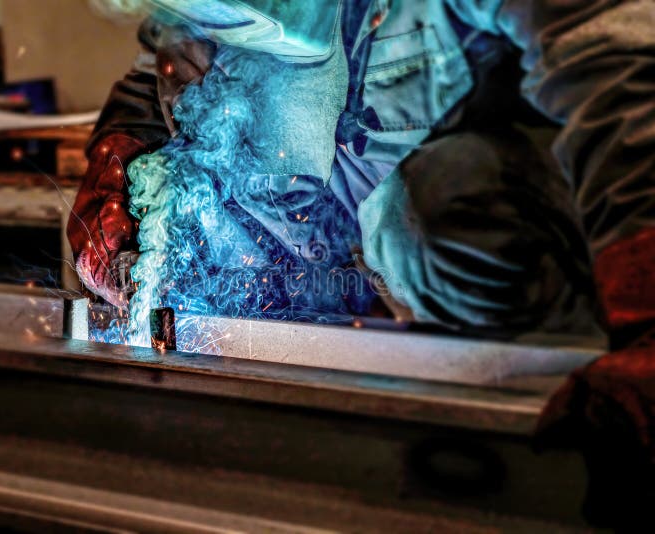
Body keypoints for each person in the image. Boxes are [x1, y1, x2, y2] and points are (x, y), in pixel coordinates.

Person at [69, 1, 655, 525]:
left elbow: (618, 63)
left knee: (427, 209)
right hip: (325, 286)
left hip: (497, 264)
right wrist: (121, 144)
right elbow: (157, 74)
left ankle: (563, 382)